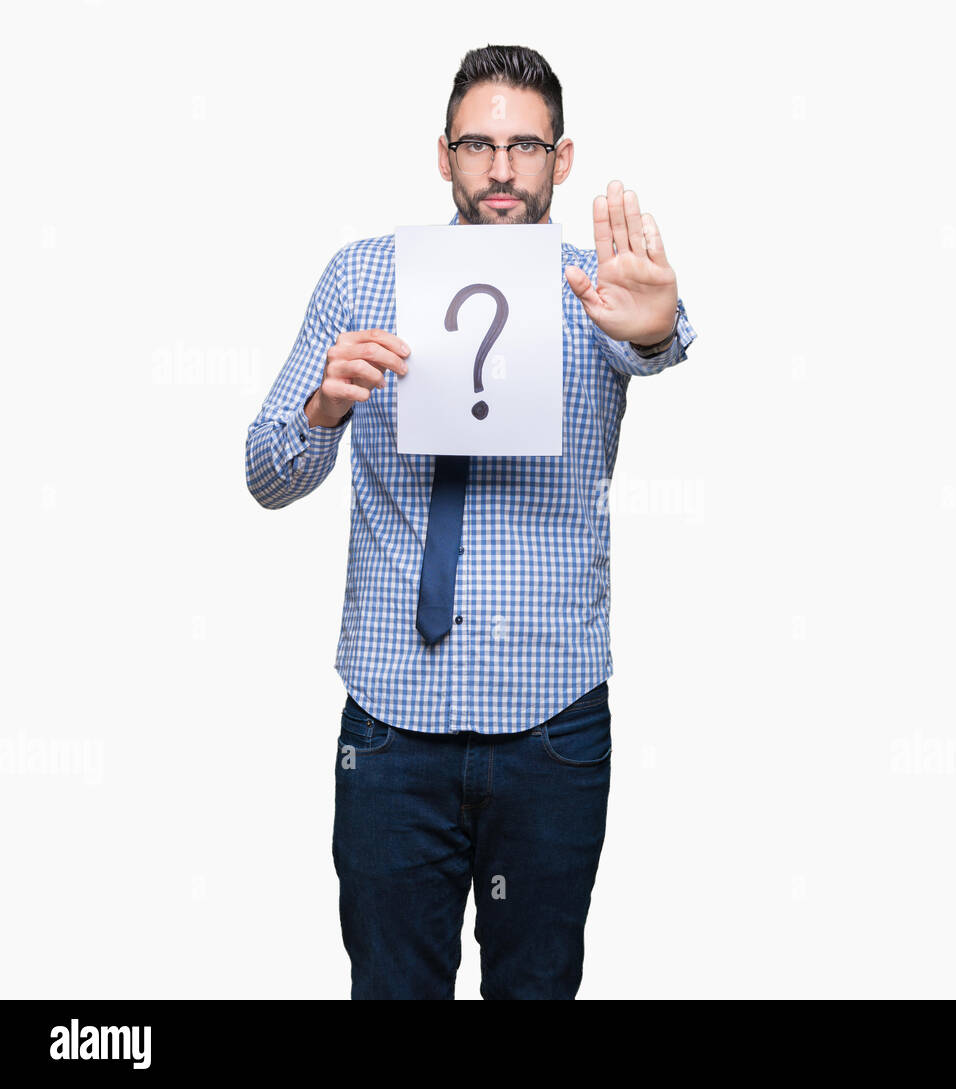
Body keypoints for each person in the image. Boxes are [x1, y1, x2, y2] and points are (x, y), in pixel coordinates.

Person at [244, 43, 697, 999]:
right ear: (442, 154)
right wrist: (323, 408)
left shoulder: (596, 289)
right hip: (393, 725)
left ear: (560, 160)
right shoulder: (360, 276)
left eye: (525, 146)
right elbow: (266, 475)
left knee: (537, 990)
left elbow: (657, 344)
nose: (501, 169)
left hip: (551, 725)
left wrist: (654, 323)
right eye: (478, 144)